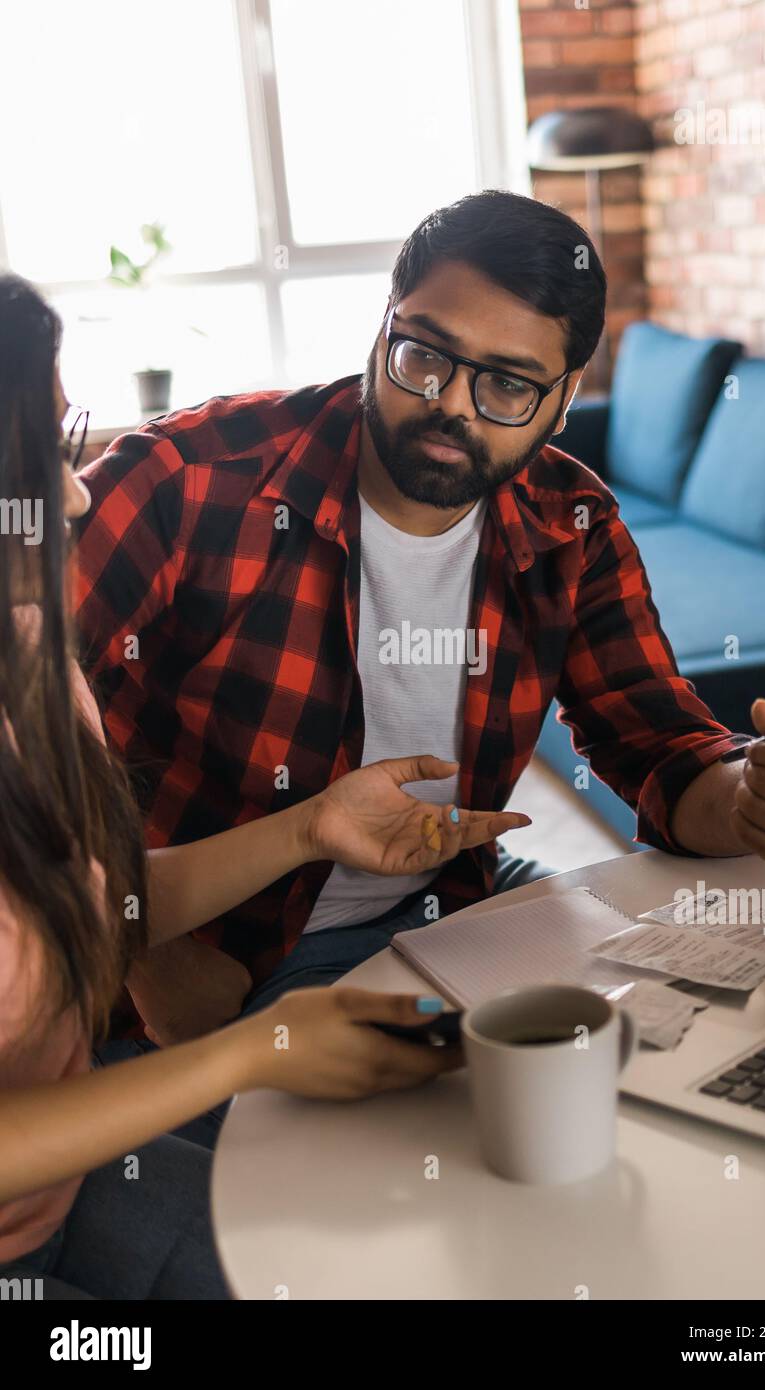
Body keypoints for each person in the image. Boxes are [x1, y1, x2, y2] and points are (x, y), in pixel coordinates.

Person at [74, 190, 765, 1083]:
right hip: (222, 953)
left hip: (453, 903)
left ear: (563, 403)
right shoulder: (188, 480)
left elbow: (661, 751)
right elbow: (24, 736)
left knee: (686, 1057)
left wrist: (753, 798)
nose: (450, 404)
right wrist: (148, 952)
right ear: (381, 333)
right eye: (425, 355)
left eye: (510, 384)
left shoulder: (572, 524)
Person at [0, 273, 534, 1298]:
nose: (75, 494)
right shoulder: (200, 481)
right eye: (34, 453)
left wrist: (312, 828)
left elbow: (94, 906)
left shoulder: (28, 655)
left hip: (61, 1183)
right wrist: (253, 1050)